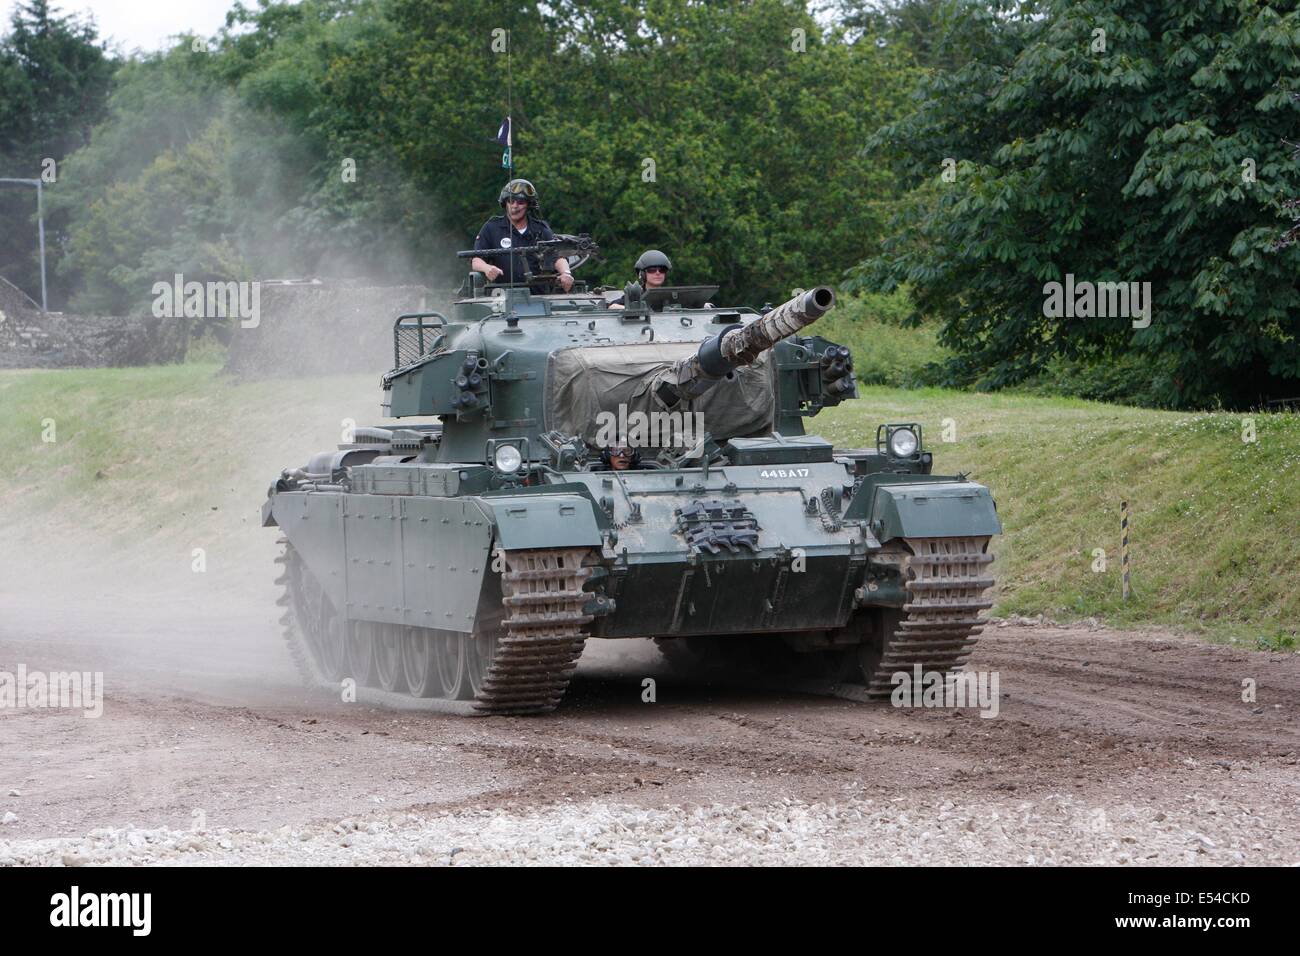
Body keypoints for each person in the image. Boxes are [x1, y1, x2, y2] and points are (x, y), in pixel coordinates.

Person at [470, 179, 574, 292]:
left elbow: (558, 256)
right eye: (511, 201)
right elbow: (476, 260)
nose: (515, 206)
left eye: (520, 202)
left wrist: (566, 273)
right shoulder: (492, 228)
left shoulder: (540, 229)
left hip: (538, 297)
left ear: (529, 205)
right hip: (503, 297)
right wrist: (487, 268)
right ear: (505, 203)